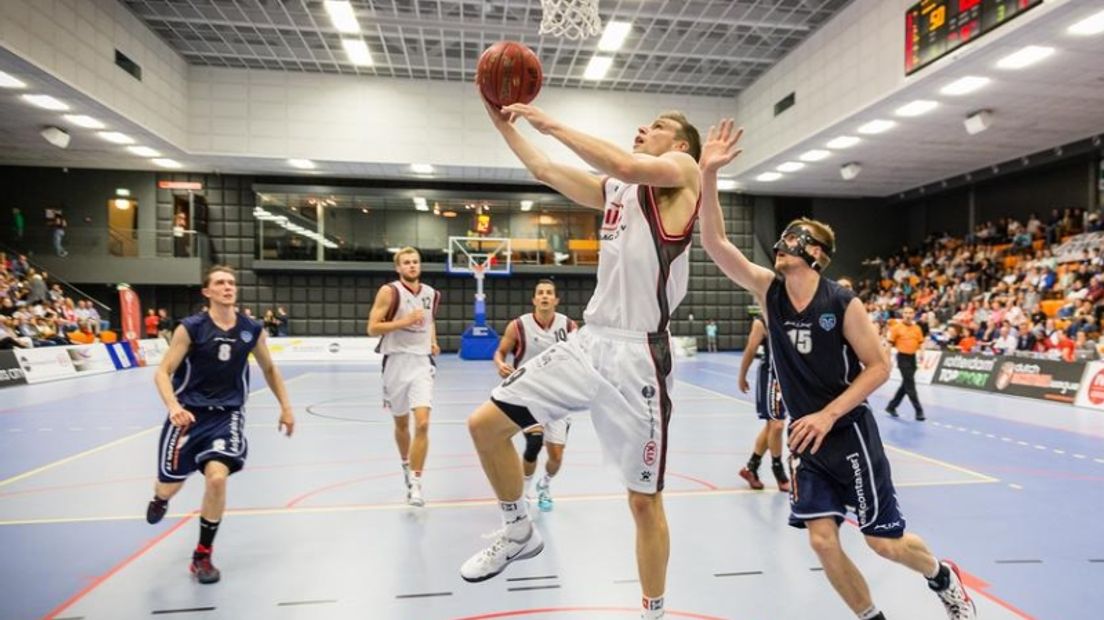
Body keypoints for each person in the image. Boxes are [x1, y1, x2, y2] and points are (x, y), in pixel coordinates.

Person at [696, 119, 975, 620]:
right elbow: (716, 243)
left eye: (791, 240)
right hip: (807, 442)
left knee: (883, 544)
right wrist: (707, 173)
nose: (779, 245)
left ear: (815, 255)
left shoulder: (841, 302)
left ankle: (941, 576)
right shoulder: (769, 290)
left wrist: (827, 415)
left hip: (847, 434)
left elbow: (878, 367)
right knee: (823, 542)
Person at [460, 96, 702, 620]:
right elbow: (545, 168)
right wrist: (502, 123)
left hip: (639, 356)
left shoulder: (684, 173)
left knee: (643, 501)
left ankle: (653, 612)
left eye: (656, 125)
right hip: (590, 342)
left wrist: (548, 120)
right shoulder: (619, 191)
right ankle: (518, 529)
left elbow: (623, 162)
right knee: (485, 426)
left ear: (680, 145)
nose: (643, 127)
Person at [143, 265, 295, 584]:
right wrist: (173, 407)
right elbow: (162, 372)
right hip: (187, 415)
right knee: (169, 484)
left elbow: (269, 369)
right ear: (207, 291)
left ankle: (202, 555)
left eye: (231, 283)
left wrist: (286, 407)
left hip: (227, 415)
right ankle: (160, 498)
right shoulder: (191, 328)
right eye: (220, 283)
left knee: (216, 480)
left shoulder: (251, 329)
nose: (228, 287)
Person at [492, 279, 578, 511]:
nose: (545, 296)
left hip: (559, 397)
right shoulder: (518, 326)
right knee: (534, 442)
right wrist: (500, 364)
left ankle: (545, 484)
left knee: (556, 457)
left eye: (549, 293)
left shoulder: (569, 327)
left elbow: (581, 358)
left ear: (556, 300)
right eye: (540, 293)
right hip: (528, 396)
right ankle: (524, 492)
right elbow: (499, 352)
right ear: (534, 299)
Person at [367, 247, 441, 507]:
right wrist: (405, 321)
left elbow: (429, 322)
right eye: (406, 263)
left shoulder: (431, 294)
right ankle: (405, 465)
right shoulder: (389, 292)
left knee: (422, 424)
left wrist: (433, 341)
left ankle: (416, 482)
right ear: (398, 268)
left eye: (415, 262)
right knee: (401, 424)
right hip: (395, 361)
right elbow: (372, 328)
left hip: (421, 362)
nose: (411, 266)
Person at [736, 316, 789, 492]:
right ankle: (779, 471)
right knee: (777, 425)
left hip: (788, 380)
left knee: (771, 427)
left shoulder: (794, 316)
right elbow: (751, 349)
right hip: (771, 378)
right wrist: (742, 375)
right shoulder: (762, 321)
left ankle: (751, 467)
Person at [885, 307, 925, 421]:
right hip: (902, 358)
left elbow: (921, 342)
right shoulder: (896, 328)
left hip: (912, 358)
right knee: (910, 385)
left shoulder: (917, 328)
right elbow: (889, 344)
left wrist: (922, 353)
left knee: (906, 385)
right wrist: (887, 359)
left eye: (911, 313)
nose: (908, 315)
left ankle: (891, 406)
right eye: (906, 313)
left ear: (914, 315)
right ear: (903, 315)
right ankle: (919, 411)